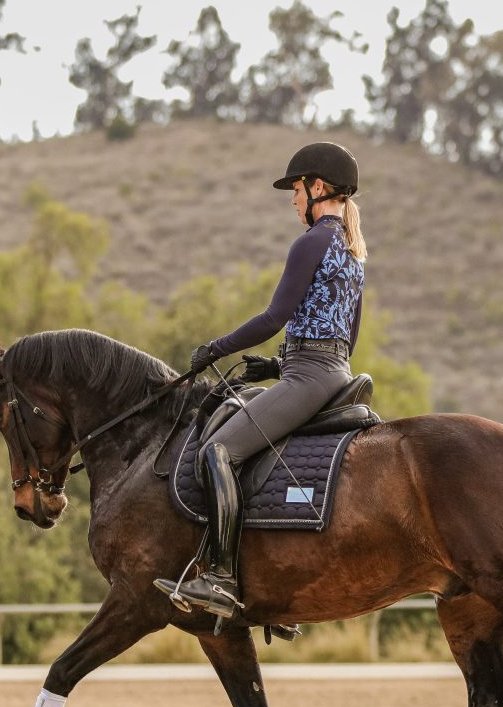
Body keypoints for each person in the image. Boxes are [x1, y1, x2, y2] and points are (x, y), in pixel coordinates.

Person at [153, 141, 369, 619]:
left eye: (296, 191)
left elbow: (275, 317)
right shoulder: (354, 255)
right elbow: (343, 338)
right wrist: (275, 367)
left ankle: (222, 579)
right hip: (332, 374)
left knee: (218, 452)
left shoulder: (312, 241)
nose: (293, 202)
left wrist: (215, 348)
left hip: (310, 377)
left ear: (317, 188)